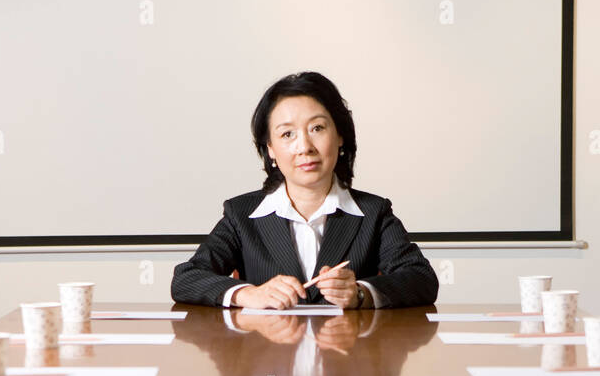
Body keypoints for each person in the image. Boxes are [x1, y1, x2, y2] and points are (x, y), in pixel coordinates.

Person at [170, 71, 439, 309]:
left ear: (340, 135)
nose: (304, 147)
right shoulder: (242, 215)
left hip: (348, 360)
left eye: (317, 128)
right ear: (271, 149)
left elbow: (421, 278)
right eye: (287, 134)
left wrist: (360, 294)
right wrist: (248, 294)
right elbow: (186, 278)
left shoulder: (373, 213)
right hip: (269, 361)